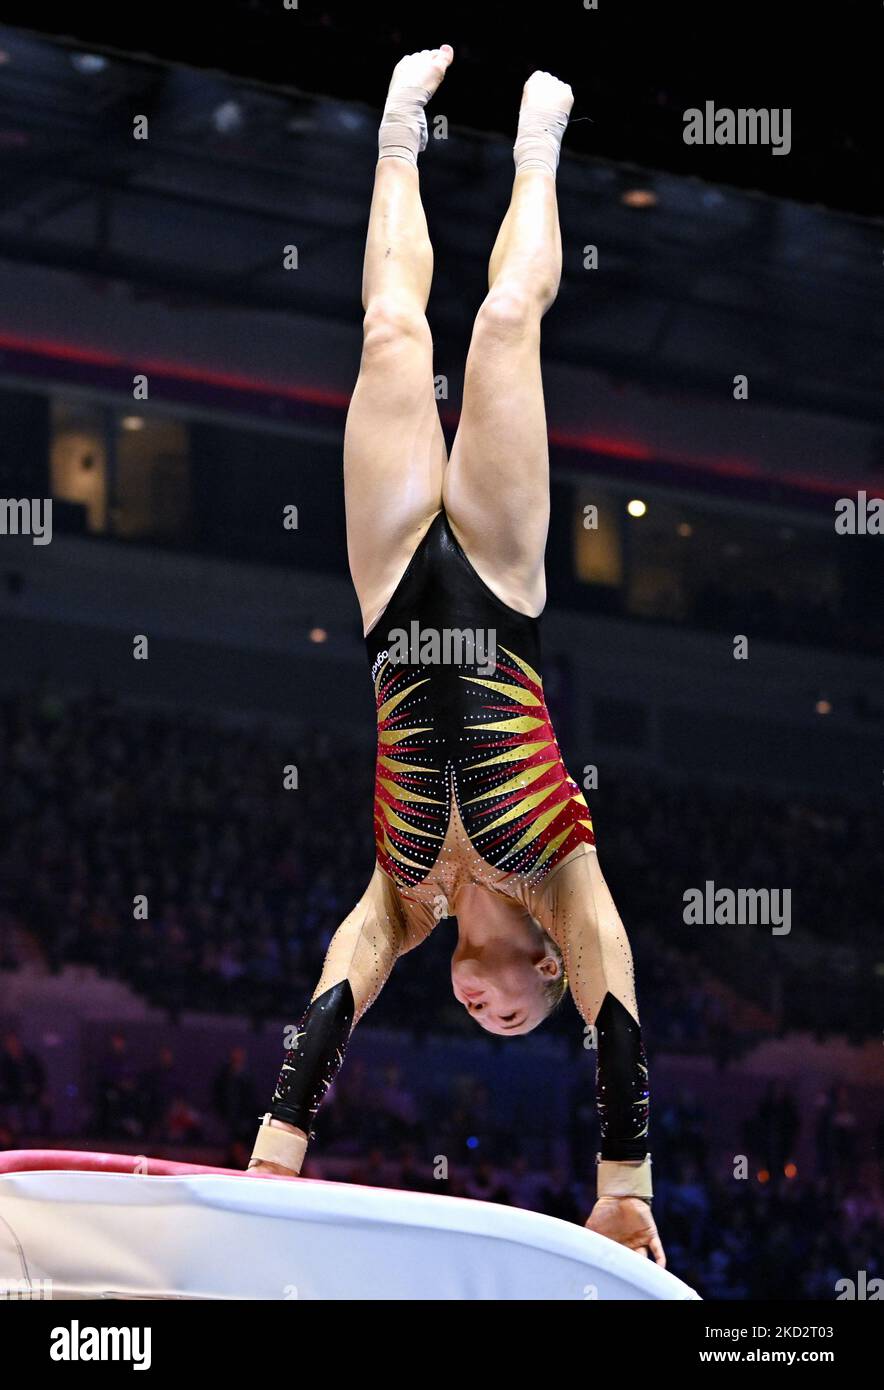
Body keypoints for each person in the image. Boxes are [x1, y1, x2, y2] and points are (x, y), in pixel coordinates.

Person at [249, 45, 663, 1264]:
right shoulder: (564, 887)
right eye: (521, 1014)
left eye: (478, 1018)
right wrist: (623, 1180)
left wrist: (278, 1148)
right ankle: (540, 139)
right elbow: (619, 1014)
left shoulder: (404, 902)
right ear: (546, 970)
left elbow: (331, 1005)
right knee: (498, 322)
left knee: (386, 332)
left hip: (386, 597)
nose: (491, 1011)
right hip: (495, 579)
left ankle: (394, 126)